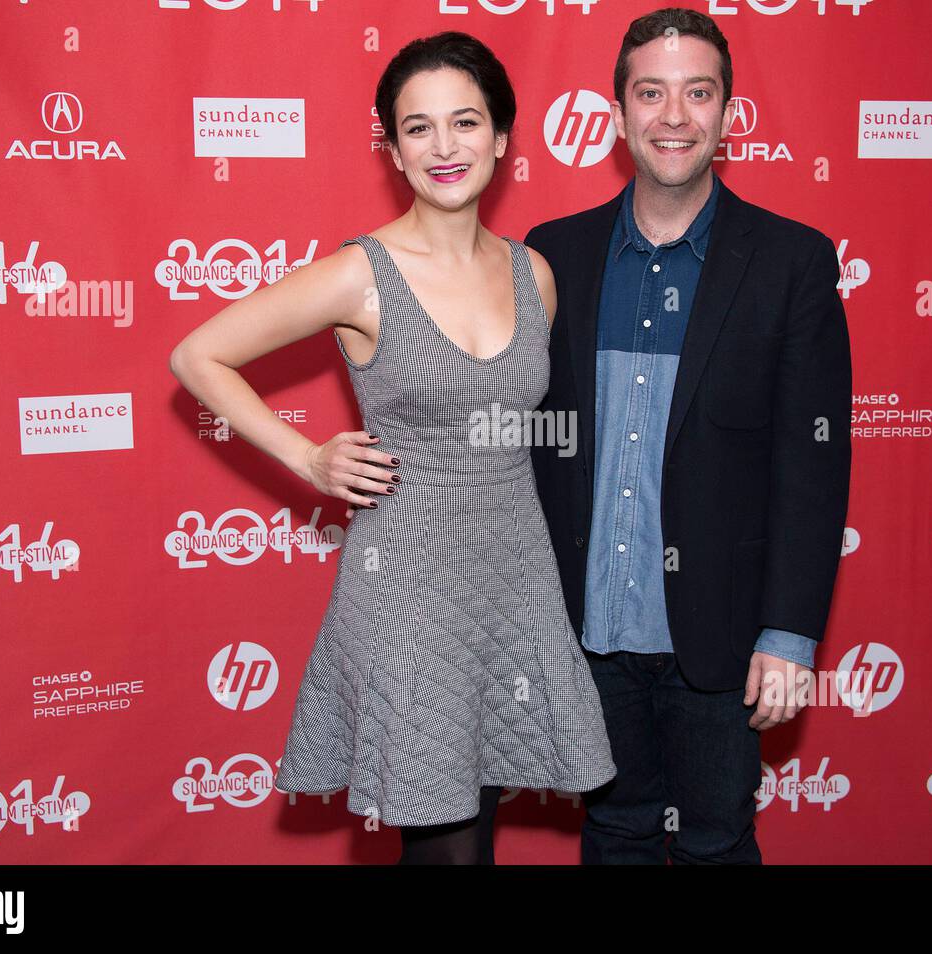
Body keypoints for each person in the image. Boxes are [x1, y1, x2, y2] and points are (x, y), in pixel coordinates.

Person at [169, 31, 616, 865]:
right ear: (394, 148)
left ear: (502, 138)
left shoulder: (535, 276)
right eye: (418, 128)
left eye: (465, 122)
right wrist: (306, 458)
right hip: (407, 584)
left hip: (514, 581)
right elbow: (197, 355)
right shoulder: (360, 274)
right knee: (445, 847)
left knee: (478, 832)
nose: (445, 147)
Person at [526, 7, 851, 864]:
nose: (674, 116)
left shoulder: (793, 262)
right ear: (619, 111)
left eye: (697, 93)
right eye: (652, 92)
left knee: (713, 842)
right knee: (616, 833)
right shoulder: (553, 256)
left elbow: (811, 465)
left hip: (722, 637)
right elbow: (529, 445)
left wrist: (787, 635)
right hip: (587, 635)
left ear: (729, 114)